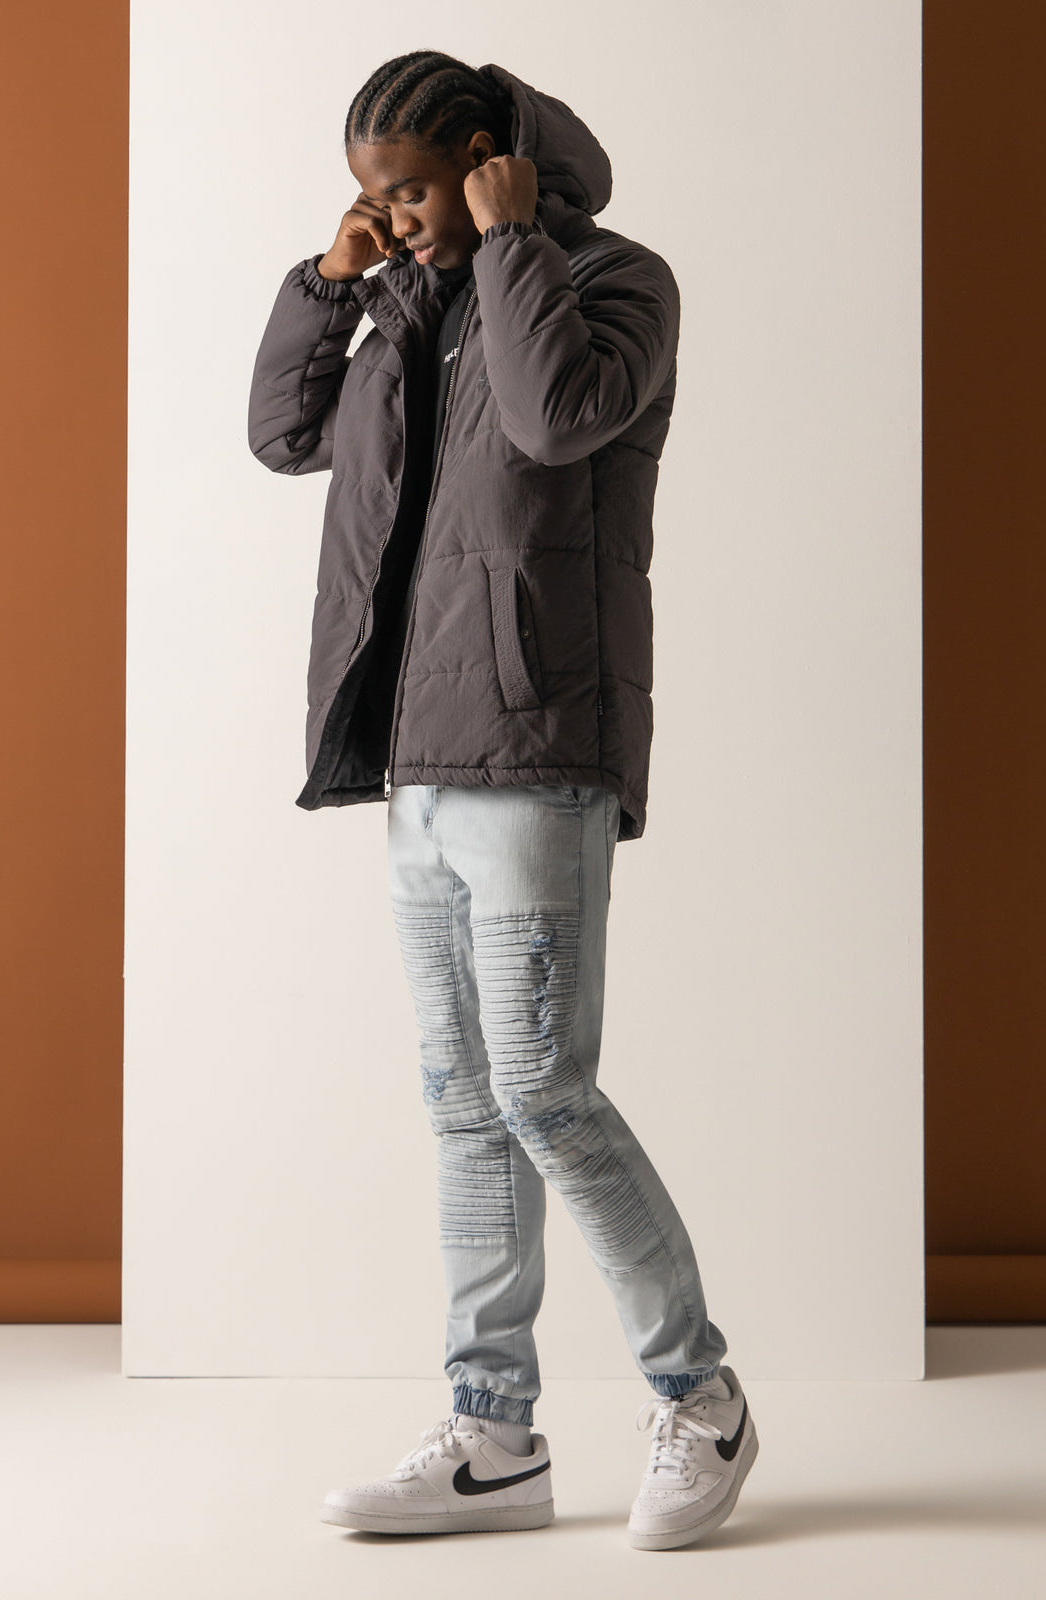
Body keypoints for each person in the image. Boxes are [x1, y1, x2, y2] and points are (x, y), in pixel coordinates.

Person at [247, 50, 758, 1552]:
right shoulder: (407, 306)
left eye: (408, 191)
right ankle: (492, 1436)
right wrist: (331, 284)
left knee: (542, 1091)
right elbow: (284, 435)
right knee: (465, 1105)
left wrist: (515, 236)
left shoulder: (613, 284)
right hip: (416, 758)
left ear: (486, 155)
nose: (393, 219)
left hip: (539, 749)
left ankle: (703, 1398)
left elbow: (552, 420)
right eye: (373, 198)